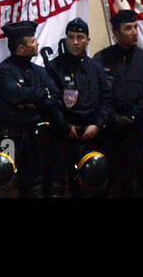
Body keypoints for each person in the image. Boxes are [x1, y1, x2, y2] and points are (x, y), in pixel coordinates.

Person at [0, 20, 61, 198]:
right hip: (11, 140)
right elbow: (16, 96)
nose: (37, 43)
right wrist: (39, 97)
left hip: (37, 141)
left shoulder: (39, 71)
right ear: (21, 47)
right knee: (7, 181)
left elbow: (55, 98)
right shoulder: (4, 72)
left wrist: (31, 100)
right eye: (32, 41)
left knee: (37, 186)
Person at [44, 18, 113, 197]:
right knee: (59, 184)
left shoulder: (96, 69)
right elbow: (52, 103)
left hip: (92, 135)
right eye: (71, 37)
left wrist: (98, 124)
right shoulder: (54, 67)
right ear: (66, 39)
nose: (75, 42)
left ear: (87, 40)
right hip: (65, 136)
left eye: (80, 37)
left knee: (93, 183)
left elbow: (107, 100)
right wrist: (64, 127)